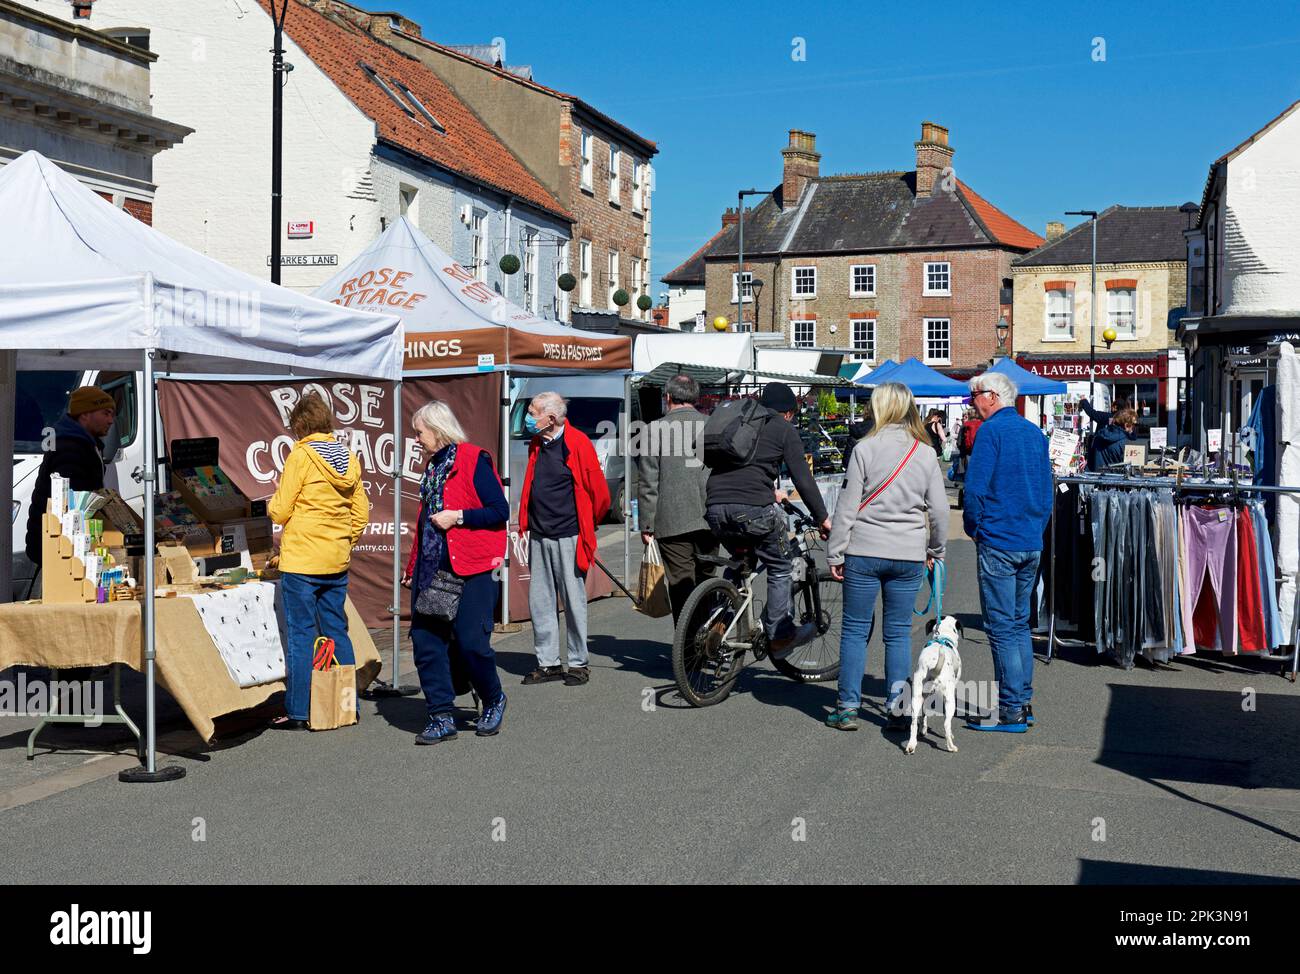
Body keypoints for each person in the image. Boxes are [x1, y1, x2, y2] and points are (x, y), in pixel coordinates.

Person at [826, 382, 948, 732]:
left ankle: (848, 707)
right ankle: (897, 709)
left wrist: (835, 552)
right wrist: (935, 550)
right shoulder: (925, 452)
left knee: (854, 630)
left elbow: (847, 506)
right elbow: (939, 510)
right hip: (908, 553)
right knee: (897, 634)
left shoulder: (864, 448)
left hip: (864, 549)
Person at [401, 401, 509, 745]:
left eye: (420, 432)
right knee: (426, 640)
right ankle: (441, 715)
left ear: (437, 428)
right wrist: (412, 566)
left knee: (471, 642)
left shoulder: (473, 459)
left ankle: (493, 698)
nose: (417, 439)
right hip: (434, 567)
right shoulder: (433, 467)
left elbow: (499, 511)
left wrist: (458, 516)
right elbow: (423, 523)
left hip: (474, 565)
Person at [704, 382, 831, 656]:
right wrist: (822, 517)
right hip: (752, 509)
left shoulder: (742, 424)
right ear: (787, 413)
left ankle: (718, 620)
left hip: (715, 507)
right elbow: (803, 479)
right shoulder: (783, 429)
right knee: (780, 564)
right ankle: (780, 635)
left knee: (741, 562)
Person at [267, 393, 369, 730]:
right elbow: (361, 512)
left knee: (301, 635)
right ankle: (348, 705)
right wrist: (344, 541)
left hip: (302, 561)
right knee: (337, 631)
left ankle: (298, 712)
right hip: (335, 559)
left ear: (299, 426)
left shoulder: (301, 455)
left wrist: (272, 505)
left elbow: (280, 510)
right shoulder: (348, 457)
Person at [962, 371, 1053, 732]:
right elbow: (1046, 492)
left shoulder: (991, 432)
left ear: (993, 396)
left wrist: (975, 529)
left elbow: (975, 491)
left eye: (975, 396)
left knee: (1001, 627)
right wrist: (1035, 529)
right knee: (1018, 624)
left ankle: (1011, 708)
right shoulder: (1033, 432)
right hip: (1029, 540)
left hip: (1000, 540)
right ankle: (1021, 700)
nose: (972, 403)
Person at [519, 391, 610, 687]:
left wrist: (586, 525)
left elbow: (600, 495)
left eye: (533, 413)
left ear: (551, 418)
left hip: (569, 533)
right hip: (540, 533)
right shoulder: (537, 443)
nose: (529, 418)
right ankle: (548, 663)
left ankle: (578, 662)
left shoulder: (578, 443)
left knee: (573, 601)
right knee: (541, 601)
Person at [637, 374, 716, 624]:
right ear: (696, 397)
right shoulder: (712, 424)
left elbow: (649, 481)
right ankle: (708, 639)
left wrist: (647, 524)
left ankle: (687, 647)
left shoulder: (653, 430)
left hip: (671, 520)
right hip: (710, 517)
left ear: (668, 397)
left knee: (681, 584)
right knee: (707, 580)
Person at [24, 386, 115, 569]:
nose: (111, 420)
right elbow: (73, 503)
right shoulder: (71, 447)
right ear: (84, 414)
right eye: (106, 413)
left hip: (60, 545)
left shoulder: (82, 443)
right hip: (60, 548)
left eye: (112, 414)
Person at [1080, 395, 1135, 470]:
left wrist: (1084, 401)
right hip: (1116, 476)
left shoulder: (1104, 420)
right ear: (1126, 425)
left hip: (1097, 473)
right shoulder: (1126, 440)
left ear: (1115, 407)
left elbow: (1091, 412)